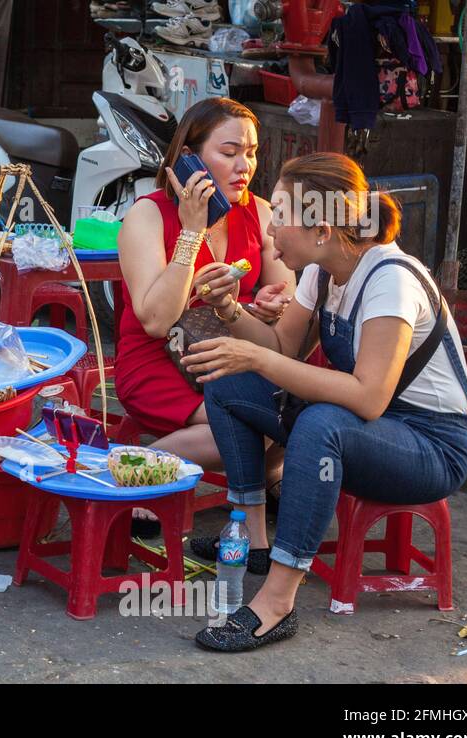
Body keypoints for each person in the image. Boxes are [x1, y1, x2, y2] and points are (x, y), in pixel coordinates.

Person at [184, 152, 467, 651]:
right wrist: (229, 310)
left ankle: (277, 602)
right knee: (227, 381)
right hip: (369, 429)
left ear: (322, 229)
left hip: (430, 447)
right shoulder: (322, 272)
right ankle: (251, 540)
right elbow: (280, 349)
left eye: (280, 214)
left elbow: (367, 397)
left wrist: (253, 356)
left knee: (322, 424)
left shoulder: (391, 280)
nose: (271, 229)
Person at [114, 97, 296, 549]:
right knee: (245, 428)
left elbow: (287, 296)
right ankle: (147, 459)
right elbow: (156, 321)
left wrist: (271, 304)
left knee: (306, 412)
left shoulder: (259, 211)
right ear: (189, 157)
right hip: (157, 364)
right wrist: (192, 232)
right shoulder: (148, 214)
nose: (244, 166)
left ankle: (267, 472)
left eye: (251, 153)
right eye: (230, 152)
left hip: (232, 355)